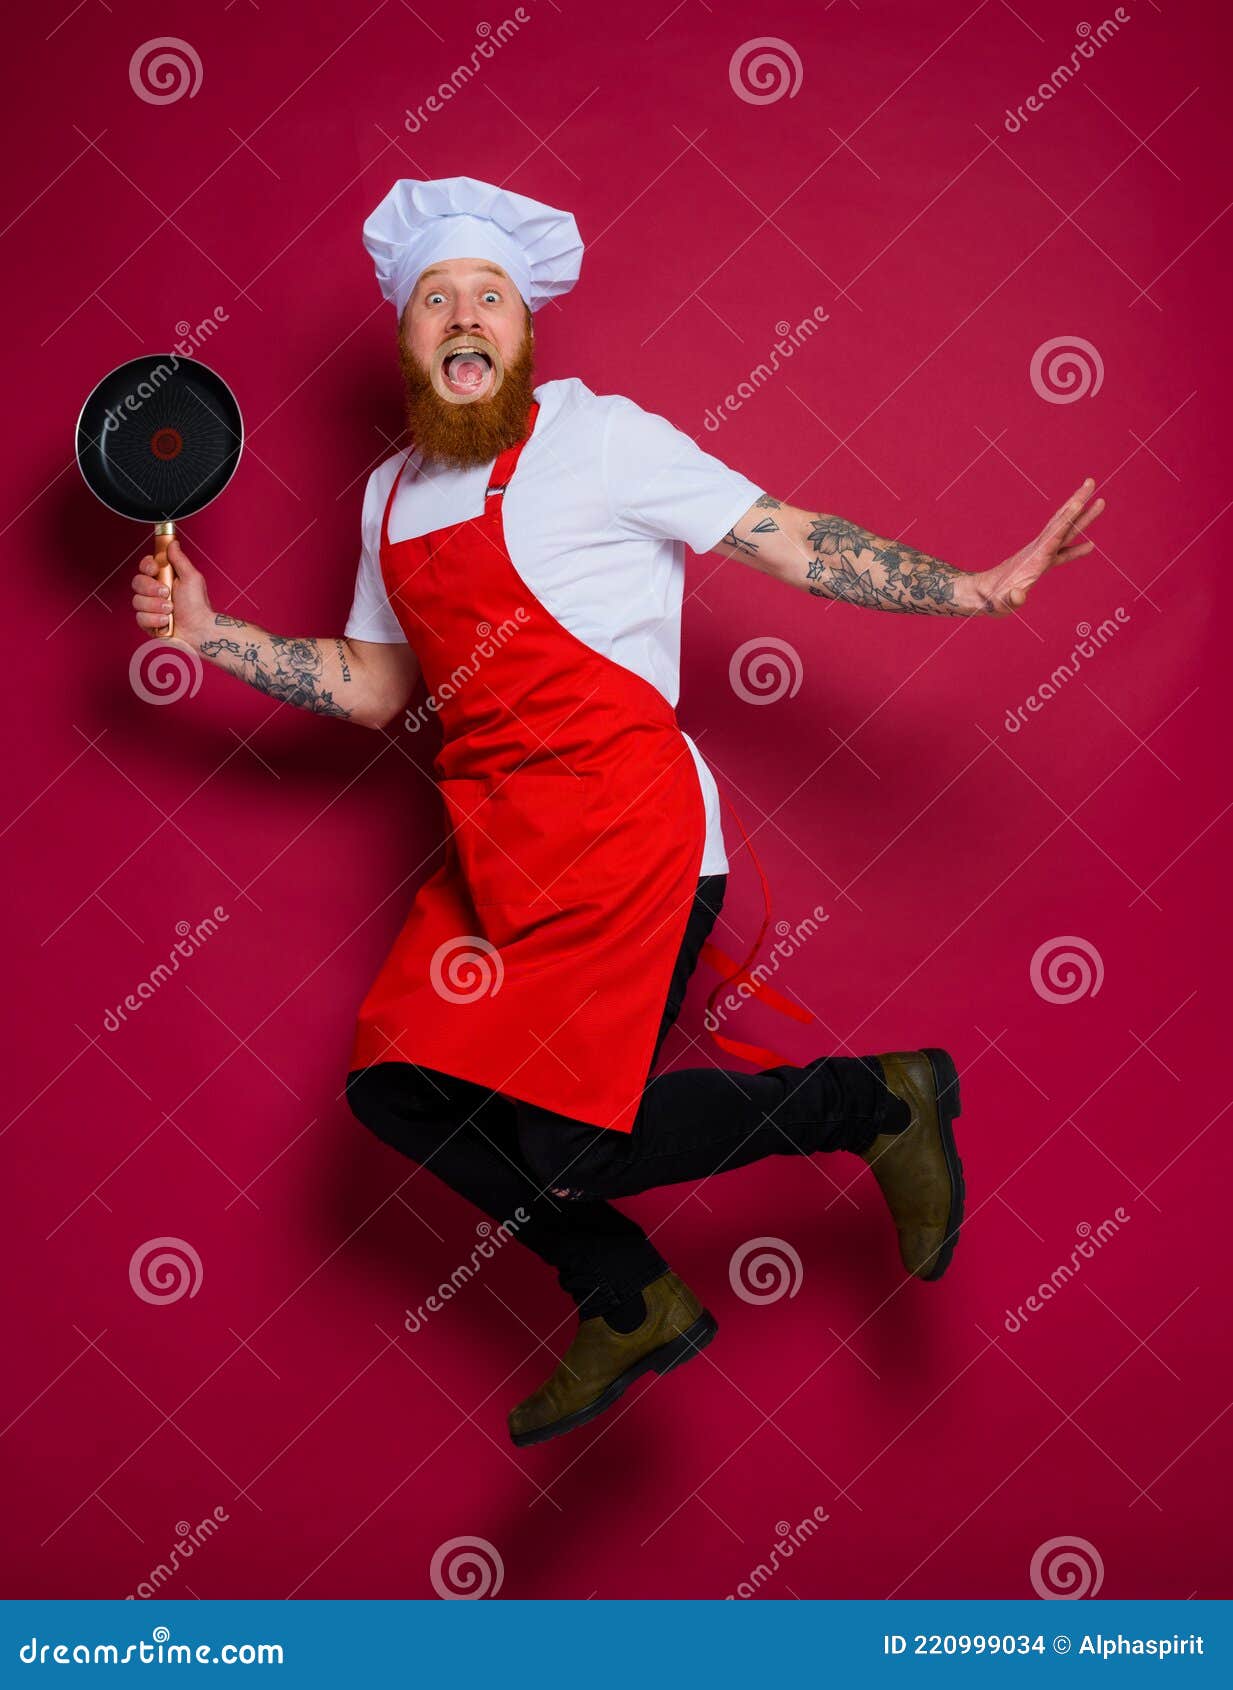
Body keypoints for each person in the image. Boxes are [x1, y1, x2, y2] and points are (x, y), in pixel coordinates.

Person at [130, 176, 1105, 1450]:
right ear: (410, 335)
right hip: (492, 856)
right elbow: (377, 689)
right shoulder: (382, 499)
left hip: (628, 838)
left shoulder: (602, 440)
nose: (465, 316)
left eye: (490, 297)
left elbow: (780, 537)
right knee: (395, 1092)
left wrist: (974, 592)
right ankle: (629, 1293)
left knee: (571, 1147)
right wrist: (213, 634)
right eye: (439, 300)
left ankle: (877, 1101)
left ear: (526, 331)